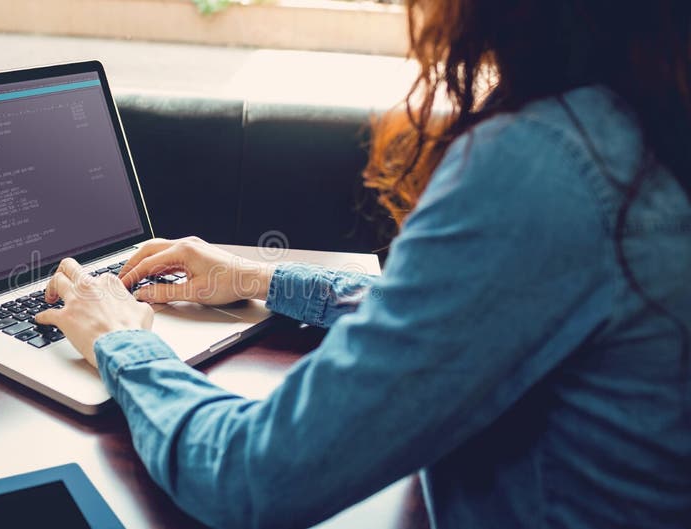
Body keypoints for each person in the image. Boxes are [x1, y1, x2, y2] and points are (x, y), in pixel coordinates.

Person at [34, 0, 691, 527]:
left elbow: (251, 478)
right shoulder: (647, 124)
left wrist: (122, 342)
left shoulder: (545, 166)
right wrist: (260, 278)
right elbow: (476, 314)